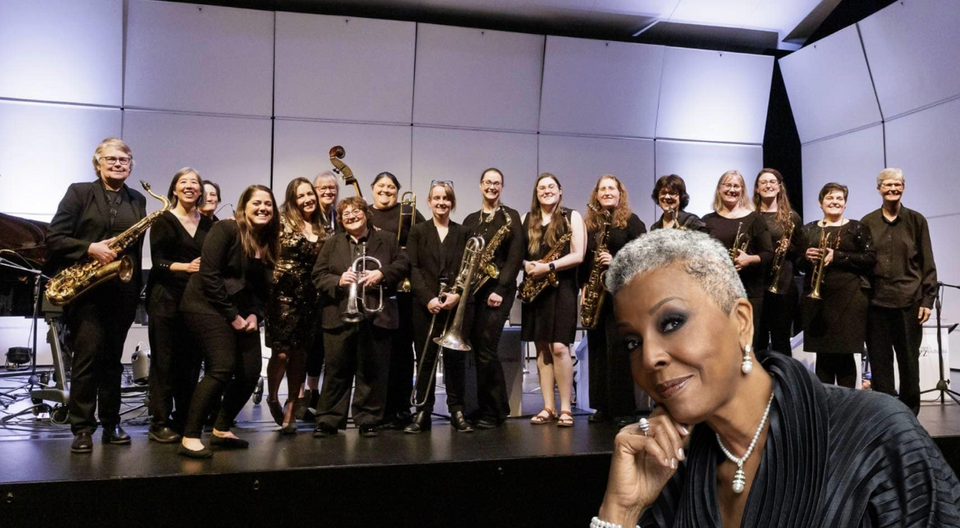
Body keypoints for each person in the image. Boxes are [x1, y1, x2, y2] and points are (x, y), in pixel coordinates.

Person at [594, 228, 960, 528]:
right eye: (632, 342)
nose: (649, 356)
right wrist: (621, 510)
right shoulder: (668, 466)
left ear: (741, 322)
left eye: (671, 322)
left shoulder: (877, 433)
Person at [46, 137, 147, 454]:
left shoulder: (138, 200)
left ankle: (112, 422)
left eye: (124, 160)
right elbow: (54, 237)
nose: (118, 164)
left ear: (131, 165)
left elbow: (135, 247)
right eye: (112, 159)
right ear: (98, 163)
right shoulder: (80, 192)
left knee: (112, 363)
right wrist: (89, 248)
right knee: (87, 360)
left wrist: (134, 285)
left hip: (120, 291)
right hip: (86, 291)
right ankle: (82, 428)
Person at [177, 185, 279, 458]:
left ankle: (221, 429)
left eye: (268, 203)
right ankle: (190, 436)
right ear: (244, 206)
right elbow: (209, 275)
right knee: (221, 368)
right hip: (206, 306)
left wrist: (255, 315)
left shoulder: (268, 240)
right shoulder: (226, 229)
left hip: (241, 311)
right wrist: (232, 316)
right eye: (256, 202)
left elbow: (262, 289)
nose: (263, 208)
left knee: (250, 372)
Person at [311, 196, 408, 439]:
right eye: (346, 214)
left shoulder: (386, 240)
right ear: (341, 220)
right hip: (339, 315)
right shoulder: (332, 244)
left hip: (376, 315)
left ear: (366, 214)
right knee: (336, 371)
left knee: (372, 371)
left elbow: (403, 263)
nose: (352, 216)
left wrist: (382, 273)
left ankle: (368, 419)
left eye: (356, 212)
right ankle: (328, 419)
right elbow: (318, 275)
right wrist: (338, 280)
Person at [862, 168, 937, 416]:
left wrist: (928, 299)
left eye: (898, 185)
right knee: (880, 365)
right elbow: (861, 264)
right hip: (876, 304)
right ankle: (887, 417)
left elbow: (928, 263)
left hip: (909, 303)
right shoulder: (867, 222)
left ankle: (909, 416)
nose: (893, 189)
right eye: (888, 185)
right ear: (879, 189)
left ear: (903, 187)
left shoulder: (917, 221)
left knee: (909, 363)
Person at [146, 167, 213, 443]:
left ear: (200, 191)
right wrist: (186, 267)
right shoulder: (163, 219)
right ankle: (159, 422)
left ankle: (184, 417)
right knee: (164, 362)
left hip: (197, 301)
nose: (189, 187)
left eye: (194, 183)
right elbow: (157, 261)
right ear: (174, 189)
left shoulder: (210, 223)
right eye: (183, 182)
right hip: (166, 300)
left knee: (190, 363)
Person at [405, 181, 471, 433]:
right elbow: (414, 268)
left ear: (452, 203)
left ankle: (457, 410)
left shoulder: (463, 232)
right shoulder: (418, 231)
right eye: (436, 198)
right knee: (425, 358)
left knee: (455, 360)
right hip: (426, 305)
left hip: (455, 305)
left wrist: (456, 294)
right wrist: (428, 298)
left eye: (446, 198)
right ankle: (423, 411)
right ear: (429, 201)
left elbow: (468, 269)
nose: (441, 202)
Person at [461, 168, 524, 429]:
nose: (492, 187)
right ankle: (482, 405)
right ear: (480, 185)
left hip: (498, 291)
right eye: (488, 182)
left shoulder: (511, 217)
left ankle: (495, 410)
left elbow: (515, 255)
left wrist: (501, 288)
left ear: (502, 187)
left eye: (497, 183)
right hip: (473, 292)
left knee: (486, 348)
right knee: (477, 348)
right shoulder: (470, 219)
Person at [581, 175, 646, 427]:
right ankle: (602, 407)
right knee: (596, 349)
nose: (607, 192)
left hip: (621, 294)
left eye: (612, 188)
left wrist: (616, 260)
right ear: (596, 194)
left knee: (618, 351)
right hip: (596, 293)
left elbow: (642, 257)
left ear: (620, 193)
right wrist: (584, 286)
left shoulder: (632, 222)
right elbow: (585, 260)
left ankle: (622, 409)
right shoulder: (591, 224)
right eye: (602, 189)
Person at [522, 172, 586, 427]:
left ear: (560, 190)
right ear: (536, 193)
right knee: (541, 347)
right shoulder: (527, 219)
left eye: (551, 187)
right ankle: (547, 407)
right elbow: (520, 255)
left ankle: (566, 408)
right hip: (536, 288)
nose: (546, 191)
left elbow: (578, 255)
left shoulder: (573, 217)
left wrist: (548, 267)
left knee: (560, 347)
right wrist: (528, 266)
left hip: (563, 288)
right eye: (541, 188)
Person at [799, 182, 876, 388]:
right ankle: (825, 409)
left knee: (845, 355)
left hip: (849, 299)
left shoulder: (857, 227)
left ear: (845, 204)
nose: (835, 202)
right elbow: (796, 262)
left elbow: (870, 259)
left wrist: (838, 256)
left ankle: (846, 409)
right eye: (830, 198)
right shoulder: (808, 230)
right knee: (823, 355)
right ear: (820, 202)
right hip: (818, 299)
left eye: (839, 198)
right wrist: (805, 256)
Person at [264, 178, 325, 433]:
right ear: (292, 199)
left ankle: (291, 407)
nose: (307, 199)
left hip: (310, 299)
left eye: (310, 194)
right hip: (281, 297)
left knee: (300, 354)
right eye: (301, 196)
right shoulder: (280, 222)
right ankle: (273, 397)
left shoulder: (323, 226)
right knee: (281, 353)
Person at [368, 171, 425, 428]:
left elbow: (423, 244)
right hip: (374, 292)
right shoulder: (365, 213)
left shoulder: (409, 213)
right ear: (372, 188)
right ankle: (377, 408)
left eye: (391, 187)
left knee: (403, 352)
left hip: (404, 292)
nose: (386, 190)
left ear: (398, 190)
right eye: (381, 186)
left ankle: (401, 406)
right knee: (378, 353)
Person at [702, 170, 773, 353]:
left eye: (736, 186)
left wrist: (750, 259)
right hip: (718, 292)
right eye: (727, 185)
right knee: (721, 346)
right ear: (719, 189)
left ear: (742, 190)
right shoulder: (708, 221)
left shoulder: (754, 219)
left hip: (749, 291)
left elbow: (768, 253)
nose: (732, 189)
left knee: (747, 346)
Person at [298, 171, 341, 421]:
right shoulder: (308, 218)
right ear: (314, 190)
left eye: (332, 188)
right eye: (322, 188)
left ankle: (315, 393)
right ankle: (302, 395)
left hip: (332, 290)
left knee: (321, 348)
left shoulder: (339, 216)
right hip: (308, 290)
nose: (327, 192)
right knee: (307, 345)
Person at [753, 168, 803, 356]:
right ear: (757, 188)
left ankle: (782, 383)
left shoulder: (792, 217)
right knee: (758, 340)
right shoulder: (751, 217)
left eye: (772, 182)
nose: (768, 185)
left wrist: (789, 248)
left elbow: (800, 252)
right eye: (763, 182)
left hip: (784, 286)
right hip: (757, 285)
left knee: (782, 340)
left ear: (779, 187)